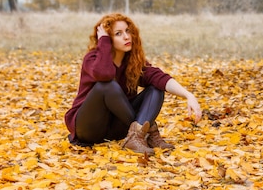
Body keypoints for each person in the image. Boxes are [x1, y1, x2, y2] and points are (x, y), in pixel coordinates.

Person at [64, 13, 202, 154]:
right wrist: (104, 42)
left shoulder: (133, 62)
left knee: (156, 88)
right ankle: (147, 132)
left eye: (128, 31)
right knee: (107, 86)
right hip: (89, 128)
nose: (126, 36)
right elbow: (104, 75)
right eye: (118, 33)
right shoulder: (92, 59)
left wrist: (188, 95)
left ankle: (136, 136)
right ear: (106, 39)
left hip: (117, 129)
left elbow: (159, 77)